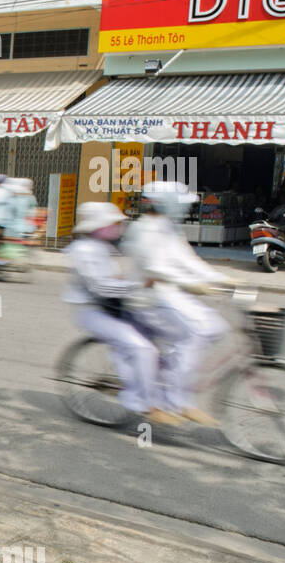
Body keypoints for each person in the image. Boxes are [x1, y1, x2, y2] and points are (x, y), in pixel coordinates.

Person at [121, 180, 233, 426]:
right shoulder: (144, 229)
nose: (186, 210)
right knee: (192, 335)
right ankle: (175, 402)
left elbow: (189, 261)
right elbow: (154, 267)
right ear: (167, 204)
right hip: (146, 301)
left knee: (215, 327)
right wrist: (188, 284)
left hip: (168, 296)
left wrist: (222, 278)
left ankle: (170, 382)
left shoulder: (170, 229)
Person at [64, 201, 178, 425]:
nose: (117, 227)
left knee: (166, 340)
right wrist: (138, 285)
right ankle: (145, 403)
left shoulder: (104, 247)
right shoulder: (83, 250)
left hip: (114, 307)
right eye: (113, 223)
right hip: (93, 312)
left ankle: (165, 395)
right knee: (142, 348)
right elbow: (100, 287)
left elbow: (115, 280)